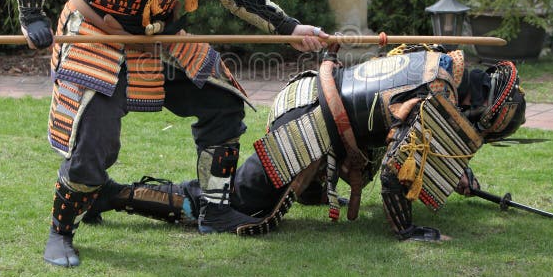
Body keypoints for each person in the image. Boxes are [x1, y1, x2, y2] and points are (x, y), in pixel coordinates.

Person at [14, 0, 328, 268]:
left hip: (160, 37)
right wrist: (32, 15)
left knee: (222, 101)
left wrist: (289, 27)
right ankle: (61, 231)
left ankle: (215, 210)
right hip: (96, 35)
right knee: (94, 140)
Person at [83, 44, 527, 241]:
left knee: (242, 199)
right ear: (485, 108)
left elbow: (415, 142)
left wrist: (455, 175)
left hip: (313, 99)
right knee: (237, 207)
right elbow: (396, 173)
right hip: (308, 127)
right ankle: (113, 195)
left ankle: (114, 195)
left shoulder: (441, 61)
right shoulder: (439, 95)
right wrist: (405, 230)